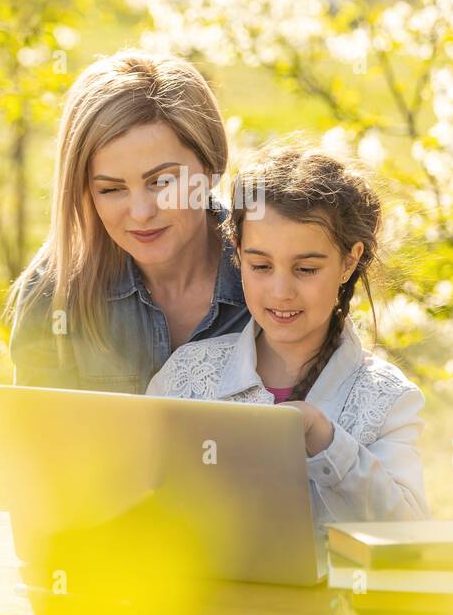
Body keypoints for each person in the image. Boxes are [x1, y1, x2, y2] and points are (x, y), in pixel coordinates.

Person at [147, 144, 430, 525]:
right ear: (238, 251)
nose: (281, 292)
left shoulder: (387, 399)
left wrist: (325, 441)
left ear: (349, 261)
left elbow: (409, 531)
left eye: (306, 269)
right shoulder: (186, 377)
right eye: (261, 265)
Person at [5, 49, 250, 394]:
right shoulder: (53, 293)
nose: (141, 213)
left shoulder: (271, 269)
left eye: (162, 182)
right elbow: (36, 441)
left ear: (211, 167)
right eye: (111, 189)